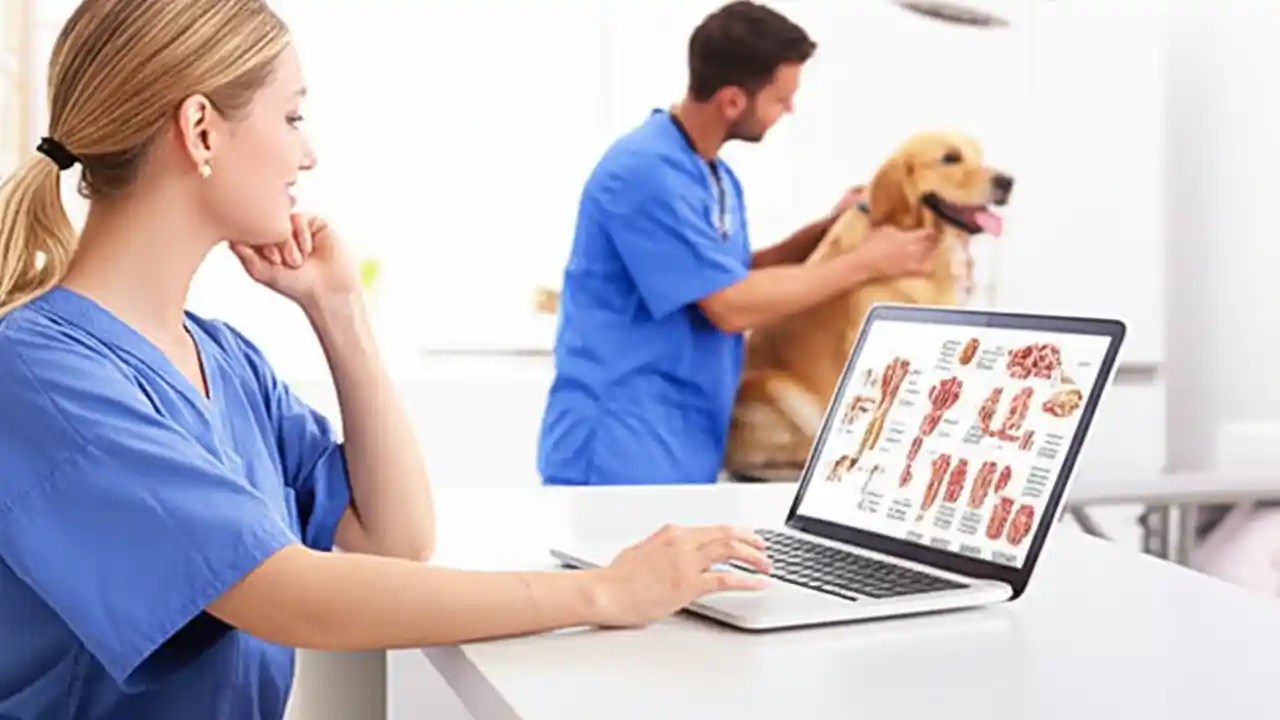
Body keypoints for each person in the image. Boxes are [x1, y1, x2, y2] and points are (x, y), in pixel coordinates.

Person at [0, 1, 772, 718]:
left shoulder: (221, 358)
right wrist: (603, 594)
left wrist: (340, 314)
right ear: (201, 130)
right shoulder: (38, 374)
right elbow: (285, 592)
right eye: (293, 116)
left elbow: (395, 536)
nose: (308, 153)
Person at [537, 1, 937, 487]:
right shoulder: (644, 172)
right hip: (620, 450)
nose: (789, 109)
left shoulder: (712, 175)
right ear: (731, 101)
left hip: (683, 443)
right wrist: (866, 262)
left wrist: (825, 229)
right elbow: (730, 305)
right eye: (779, 98)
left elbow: (729, 273)